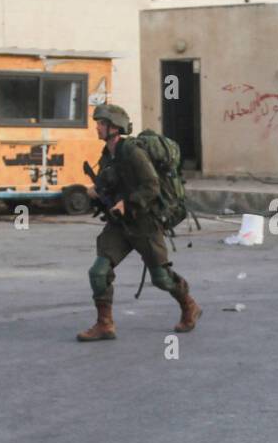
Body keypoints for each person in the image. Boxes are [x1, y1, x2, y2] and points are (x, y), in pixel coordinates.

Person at [77, 104, 201, 340]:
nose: (97, 127)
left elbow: (151, 186)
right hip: (120, 225)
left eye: (101, 123)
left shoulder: (132, 152)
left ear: (114, 127)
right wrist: (95, 194)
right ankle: (105, 324)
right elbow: (109, 185)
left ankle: (189, 306)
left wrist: (127, 203)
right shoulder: (107, 155)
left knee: (162, 278)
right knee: (98, 272)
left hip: (145, 223)